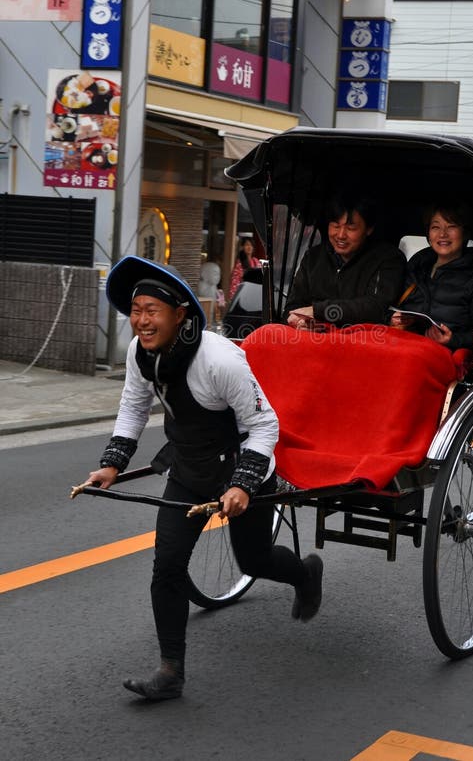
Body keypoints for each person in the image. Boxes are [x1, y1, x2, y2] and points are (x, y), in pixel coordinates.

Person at [79, 255, 323, 702]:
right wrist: (112, 463)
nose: (142, 321)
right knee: (167, 567)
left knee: (253, 561)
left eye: (152, 311)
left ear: (181, 314)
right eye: (136, 311)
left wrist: (242, 484)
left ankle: (305, 575)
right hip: (189, 469)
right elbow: (134, 407)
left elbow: (265, 425)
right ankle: (170, 671)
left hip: (241, 469)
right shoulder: (141, 353)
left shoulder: (219, 360)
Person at [284, 192, 406, 329]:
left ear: (369, 229)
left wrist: (319, 311)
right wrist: (300, 321)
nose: (341, 235)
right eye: (335, 226)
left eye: (350, 228)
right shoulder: (313, 257)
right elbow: (293, 306)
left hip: (362, 339)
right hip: (314, 336)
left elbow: (375, 307)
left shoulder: (388, 258)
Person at [390, 203, 473, 350]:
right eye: (435, 227)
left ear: (465, 233)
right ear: (428, 233)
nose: (443, 234)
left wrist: (452, 339)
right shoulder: (416, 267)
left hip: (443, 352)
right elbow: (392, 305)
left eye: (451, 226)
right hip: (406, 342)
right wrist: (393, 319)